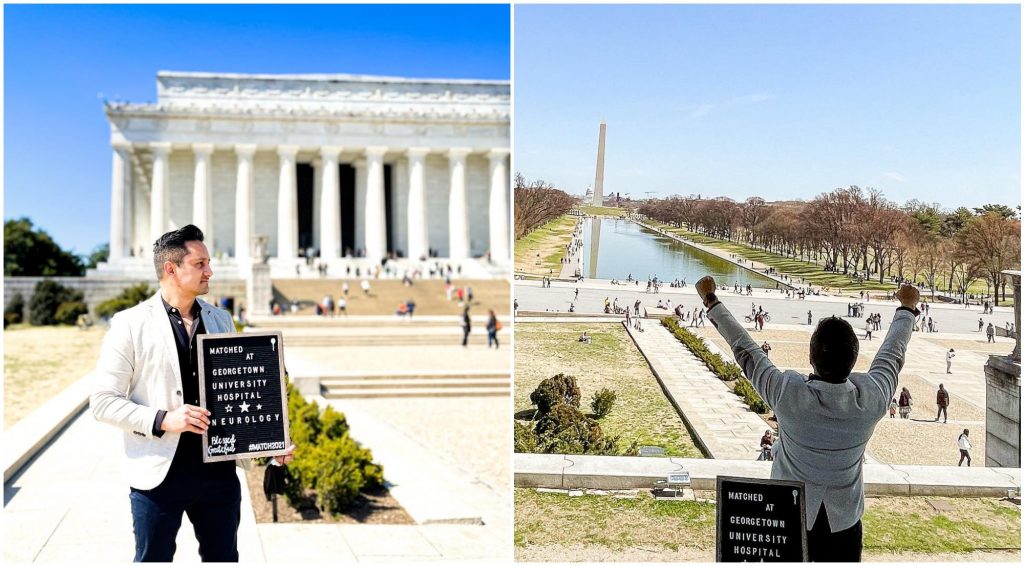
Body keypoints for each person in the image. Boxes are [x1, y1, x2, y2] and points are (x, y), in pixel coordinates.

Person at [90, 225, 294, 561]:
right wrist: (165, 419)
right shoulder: (129, 323)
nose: (209, 271)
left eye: (208, 262)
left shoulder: (221, 319)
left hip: (218, 473)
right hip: (158, 474)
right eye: (200, 264)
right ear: (171, 269)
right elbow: (102, 402)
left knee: (224, 558)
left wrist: (273, 441)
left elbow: (240, 387)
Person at [696, 275, 919, 562]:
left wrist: (711, 300)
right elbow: (892, 354)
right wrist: (907, 309)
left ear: (811, 358)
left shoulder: (788, 393)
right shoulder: (872, 398)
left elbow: (746, 350)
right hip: (844, 522)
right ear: (853, 360)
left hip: (788, 516)